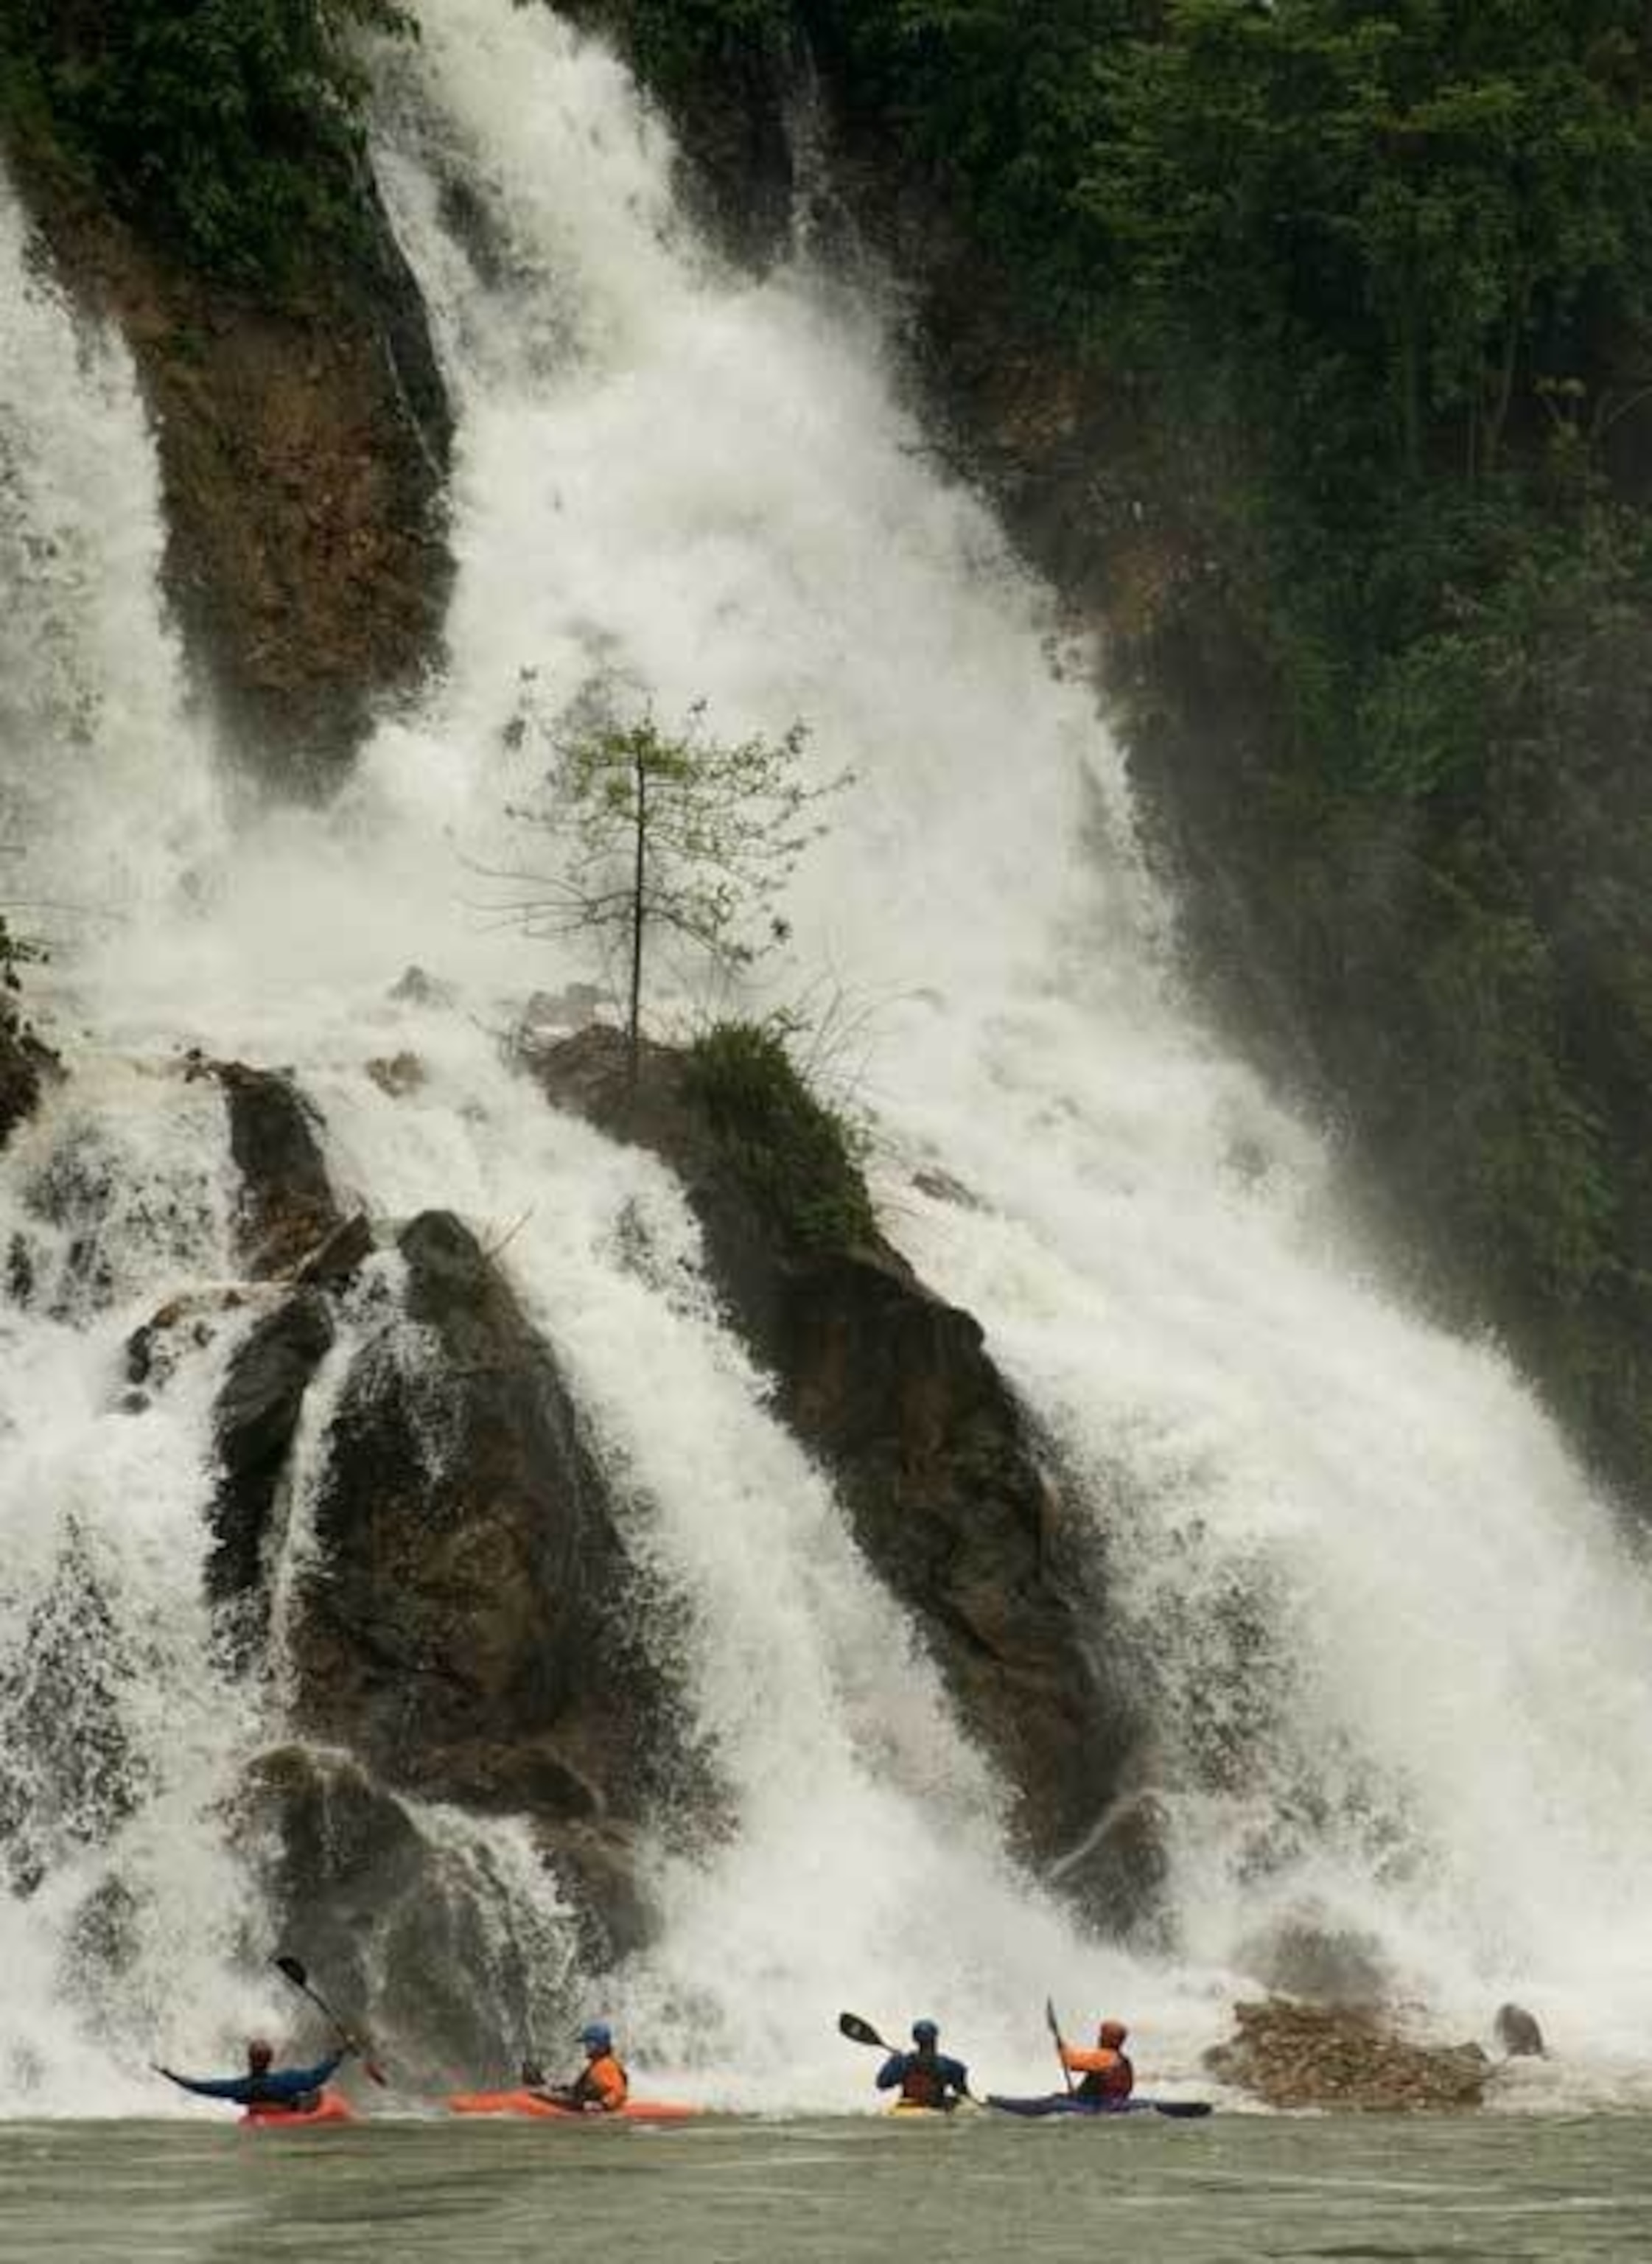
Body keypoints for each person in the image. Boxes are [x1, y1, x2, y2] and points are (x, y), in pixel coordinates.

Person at [156, 2035, 349, 2111]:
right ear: (270, 2060)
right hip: (287, 2113)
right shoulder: (286, 2080)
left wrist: (171, 2076)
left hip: (260, 2115)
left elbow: (202, 2087)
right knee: (316, 2094)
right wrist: (337, 2054)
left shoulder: (239, 2087)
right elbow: (318, 2076)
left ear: (249, 2060)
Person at [875, 2019, 972, 2110]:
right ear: (935, 2038)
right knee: (956, 2101)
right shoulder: (950, 2066)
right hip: (934, 2109)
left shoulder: (901, 2063)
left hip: (906, 2108)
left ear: (915, 2040)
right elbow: (965, 2096)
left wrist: (892, 2061)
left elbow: (882, 2084)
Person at [540, 2021, 629, 2112]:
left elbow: (619, 2091)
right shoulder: (597, 2063)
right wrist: (560, 2089)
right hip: (583, 2101)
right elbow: (581, 2088)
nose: (585, 2047)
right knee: (558, 2093)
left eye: (588, 2043)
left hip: (593, 2107)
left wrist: (602, 2105)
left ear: (598, 2045)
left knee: (556, 2099)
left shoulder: (605, 2066)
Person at [1058, 2017, 1134, 2107]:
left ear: (1112, 2039)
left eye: (1103, 2035)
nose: (1100, 2038)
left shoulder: (1104, 2057)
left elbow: (1070, 2061)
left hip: (1098, 2103)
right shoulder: (1125, 2061)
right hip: (1112, 2102)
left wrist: (1062, 2046)